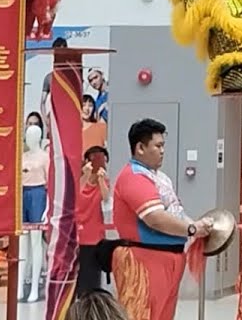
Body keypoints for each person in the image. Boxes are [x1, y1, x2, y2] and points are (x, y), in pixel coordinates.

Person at [111, 118, 212, 320]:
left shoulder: (160, 177)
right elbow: (155, 218)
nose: (162, 151)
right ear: (140, 147)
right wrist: (192, 229)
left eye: (163, 145)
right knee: (140, 314)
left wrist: (199, 227)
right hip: (144, 258)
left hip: (168, 258)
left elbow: (175, 212)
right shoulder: (134, 176)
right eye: (158, 146)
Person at [77, 146, 111, 293]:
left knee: (94, 279)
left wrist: (101, 179)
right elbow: (75, 198)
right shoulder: (79, 180)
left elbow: (106, 199)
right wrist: (85, 175)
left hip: (95, 237)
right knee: (79, 277)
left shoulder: (104, 182)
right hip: (78, 237)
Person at [82, 96, 108, 165]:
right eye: (83, 105)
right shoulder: (72, 130)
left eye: (90, 106)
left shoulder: (101, 127)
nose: (87, 109)